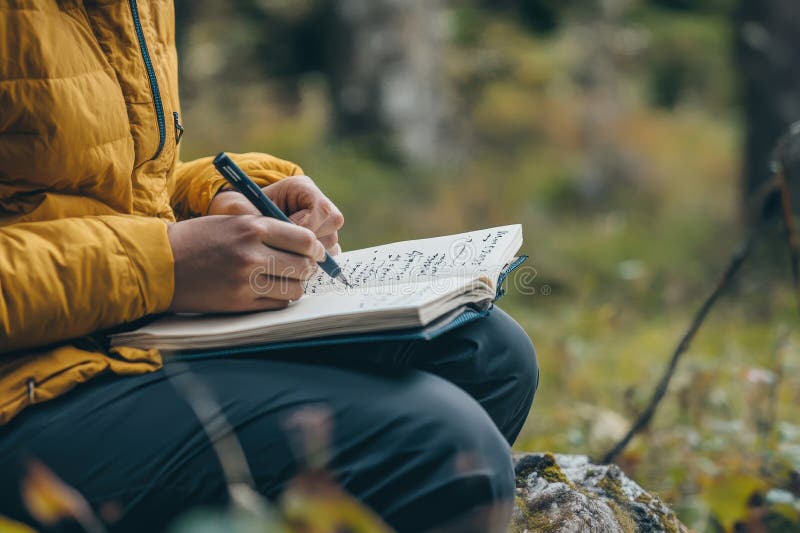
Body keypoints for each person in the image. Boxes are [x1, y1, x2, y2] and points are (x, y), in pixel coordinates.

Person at [0, 2, 538, 532]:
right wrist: (164, 262)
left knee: (488, 357)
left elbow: (84, 183)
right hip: (24, 383)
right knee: (444, 448)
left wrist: (213, 197)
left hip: (115, 331)